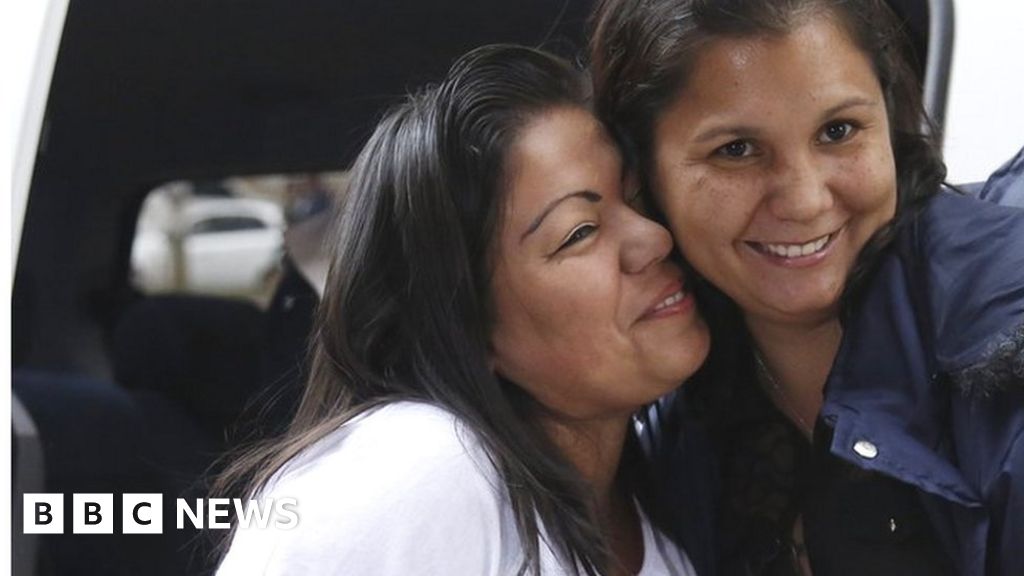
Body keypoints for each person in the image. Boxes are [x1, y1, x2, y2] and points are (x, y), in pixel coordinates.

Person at [214, 44, 710, 576]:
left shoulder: (658, 502)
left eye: (635, 198)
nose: (653, 238)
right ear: (468, 327)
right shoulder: (420, 467)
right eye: (579, 232)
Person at [589, 1, 1024, 575]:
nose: (804, 200)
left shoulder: (1002, 332)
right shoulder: (673, 420)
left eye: (838, 131)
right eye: (736, 150)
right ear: (641, 176)